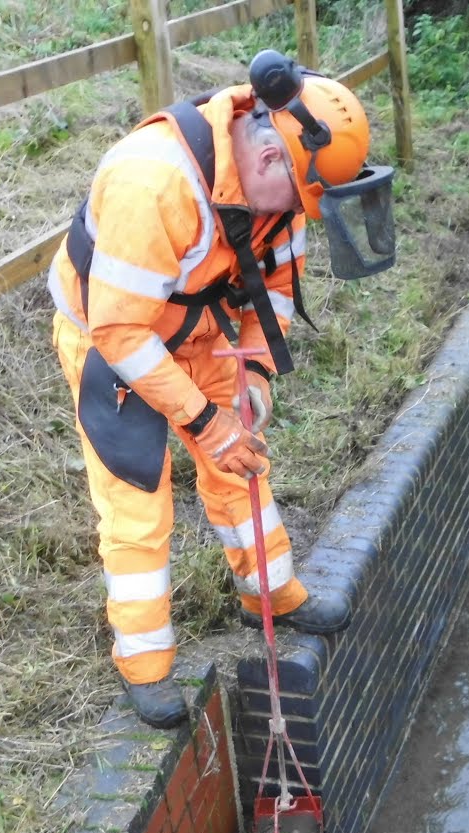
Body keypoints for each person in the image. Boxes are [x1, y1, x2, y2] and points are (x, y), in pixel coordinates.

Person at [49, 51, 396, 729]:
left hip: (198, 325)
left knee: (240, 463)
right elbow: (122, 332)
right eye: (301, 203)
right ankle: (144, 663)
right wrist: (202, 420)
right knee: (138, 501)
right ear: (272, 164)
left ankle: (270, 592)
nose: (299, 217)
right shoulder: (151, 183)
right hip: (112, 342)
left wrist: (256, 376)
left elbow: (275, 286)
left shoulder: (281, 182)